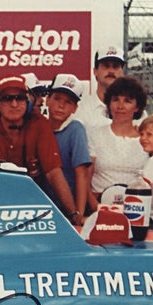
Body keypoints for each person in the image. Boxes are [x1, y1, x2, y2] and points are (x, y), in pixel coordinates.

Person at [0, 74, 80, 222]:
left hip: (30, 203)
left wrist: (73, 214)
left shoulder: (39, 123)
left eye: (19, 98)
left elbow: (53, 172)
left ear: (28, 103)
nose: (14, 104)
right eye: (7, 99)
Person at [86, 76, 149, 211]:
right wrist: (96, 207)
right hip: (98, 205)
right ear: (109, 104)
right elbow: (84, 179)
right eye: (116, 100)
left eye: (127, 101)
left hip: (135, 208)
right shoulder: (95, 134)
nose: (120, 106)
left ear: (137, 107)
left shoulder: (146, 140)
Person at [45, 73, 91, 223]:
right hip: (43, 205)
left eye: (68, 102)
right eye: (57, 98)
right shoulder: (39, 127)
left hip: (68, 209)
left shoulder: (75, 129)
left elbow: (82, 173)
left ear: (75, 108)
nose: (61, 105)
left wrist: (78, 212)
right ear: (47, 100)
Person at [75, 45, 126, 128]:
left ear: (122, 72)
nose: (111, 71)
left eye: (115, 66)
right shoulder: (82, 110)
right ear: (95, 71)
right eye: (106, 66)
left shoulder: (133, 110)